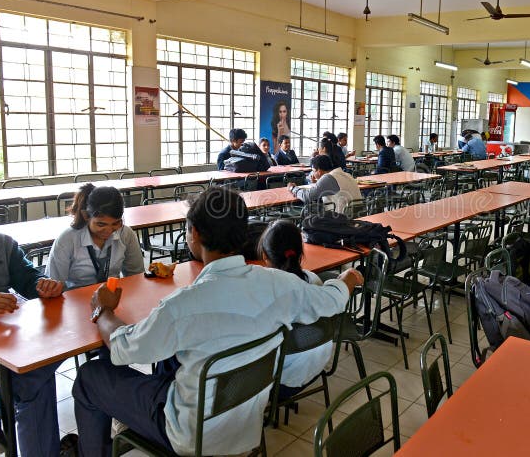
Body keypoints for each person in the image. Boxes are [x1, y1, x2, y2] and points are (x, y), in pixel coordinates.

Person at [71, 187, 363, 456]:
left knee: (90, 377)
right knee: (170, 360)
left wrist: (103, 311)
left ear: (194, 233)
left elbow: (122, 350)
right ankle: (137, 419)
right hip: (245, 426)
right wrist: (346, 279)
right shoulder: (279, 283)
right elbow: (330, 301)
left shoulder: (183, 306)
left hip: (191, 435)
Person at [0, 171, 66, 456]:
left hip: (3, 339)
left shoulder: (2, 243)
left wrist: (42, 285)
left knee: (57, 347)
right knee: (34, 377)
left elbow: (27, 277)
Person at [257, 220, 333, 399]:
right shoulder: (314, 280)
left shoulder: (266, 291)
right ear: (300, 253)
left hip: (280, 382)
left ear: (265, 257)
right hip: (316, 367)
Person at [46, 184, 144, 291]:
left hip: (112, 299)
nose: (109, 231)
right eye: (101, 225)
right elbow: (54, 285)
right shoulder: (67, 239)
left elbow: (136, 276)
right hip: (76, 301)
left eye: (116, 223)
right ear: (86, 216)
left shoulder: (126, 234)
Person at [288, 155, 361, 214]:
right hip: (358, 215)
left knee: (310, 216)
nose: (312, 174)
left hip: (340, 219)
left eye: (313, 171)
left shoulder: (328, 178)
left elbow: (307, 196)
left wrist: (293, 188)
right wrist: (316, 183)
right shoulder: (346, 174)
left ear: (319, 171)